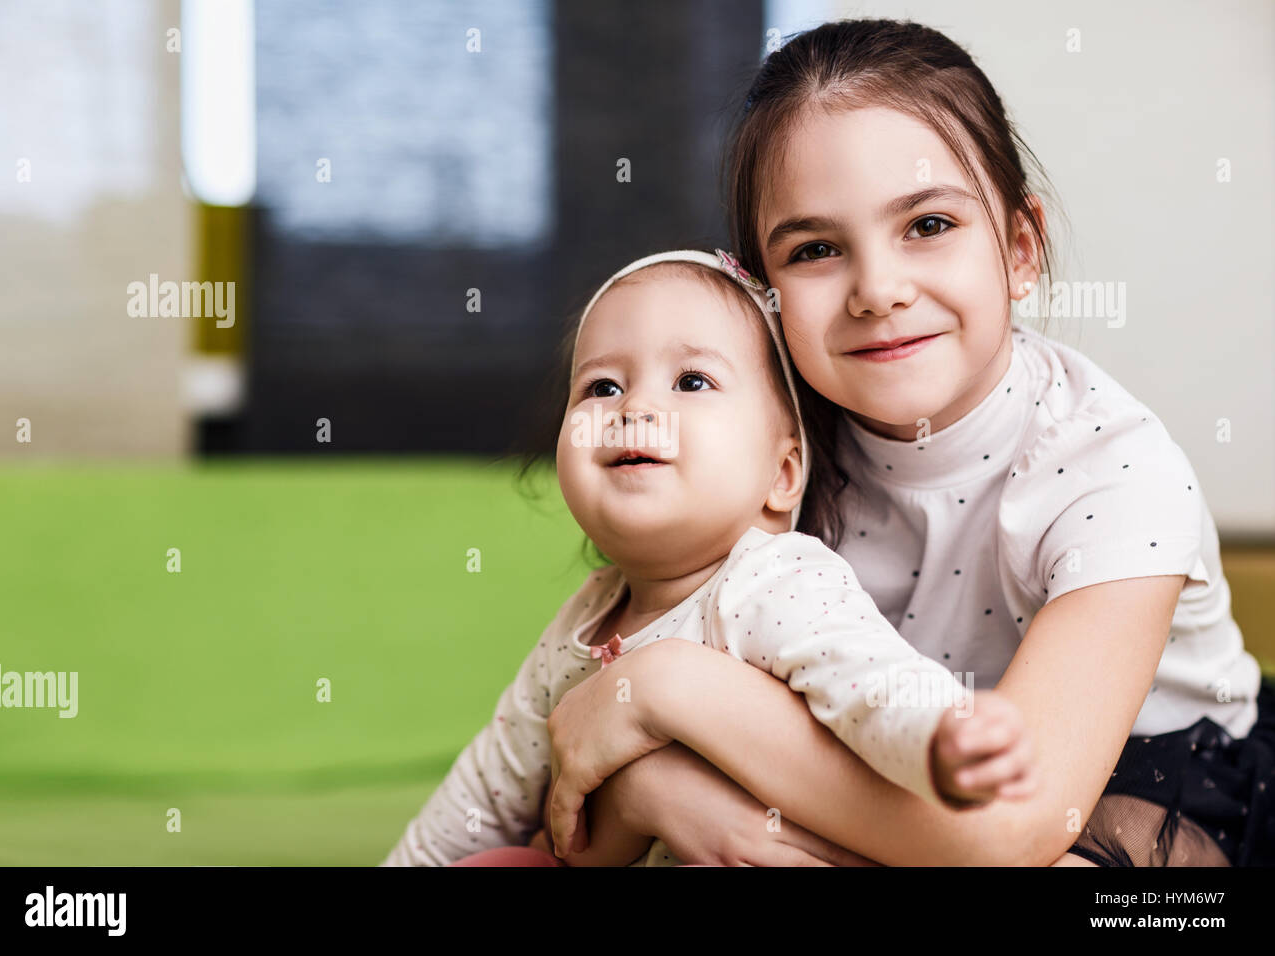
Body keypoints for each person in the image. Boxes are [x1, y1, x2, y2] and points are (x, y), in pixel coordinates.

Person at [543, 18, 1275, 867]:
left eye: (928, 225)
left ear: (1019, 248)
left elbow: (1017, 828)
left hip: (1147, 783)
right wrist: (657, 788)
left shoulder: (1115, 471)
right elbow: (575, 766)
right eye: (816, 249)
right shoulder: (764, 457)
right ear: (764, 296)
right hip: (887, 774)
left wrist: (668, 691)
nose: (879, 291)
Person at [379, 248, 1037, 867]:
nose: (636, 407)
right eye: (602, 387)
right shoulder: (582, 621)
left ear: (781, 476)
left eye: (692, 380)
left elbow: (870, 685)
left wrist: (943, 738)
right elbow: (490, 785)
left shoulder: (774, 582)